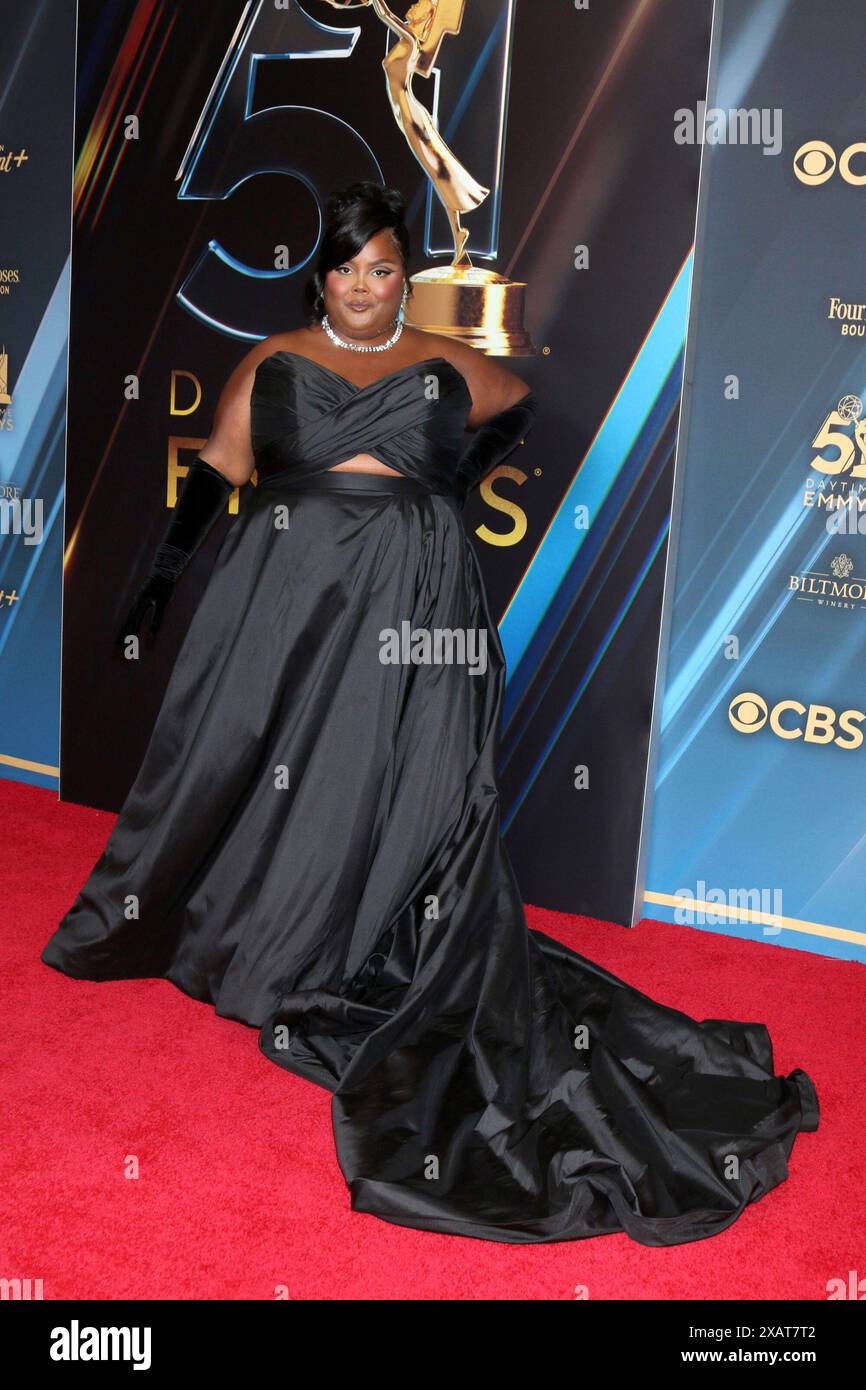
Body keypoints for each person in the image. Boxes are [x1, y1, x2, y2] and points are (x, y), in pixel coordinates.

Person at [42, 181, 819, 1246]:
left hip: (415, 603)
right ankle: (262, 936)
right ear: (320, 276)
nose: (365, 289)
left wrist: (441, 487)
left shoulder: (451, 367)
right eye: (348, 270)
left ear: (402, 280)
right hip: (288, 594)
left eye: (384, 273)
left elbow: (517, 406)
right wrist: (162, 578)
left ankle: (367, 943)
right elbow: (220, 470)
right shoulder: (270, 361)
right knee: (256, 761)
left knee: (403, 777)